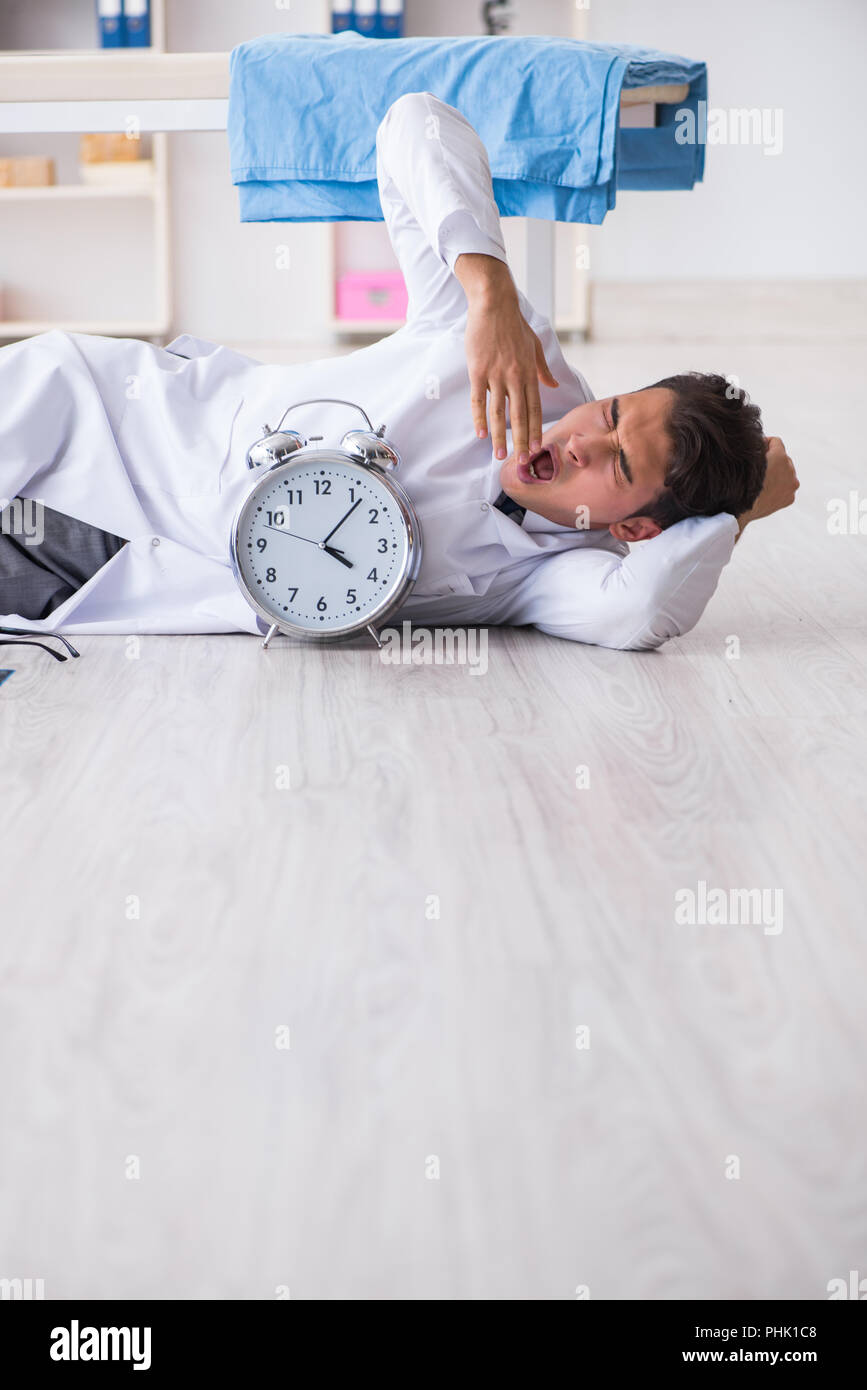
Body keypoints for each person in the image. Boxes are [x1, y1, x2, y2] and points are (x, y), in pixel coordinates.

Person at [0, 92, 798, 648]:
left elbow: (640, 614)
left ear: (635, 527)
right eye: (614, 410)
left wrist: (732, 516)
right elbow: (413, 120)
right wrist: (487, 290)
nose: (585, 434)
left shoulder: (553, 577)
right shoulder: (514, 350)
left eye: (618, 463)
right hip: (113, 421)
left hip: (105, 573)